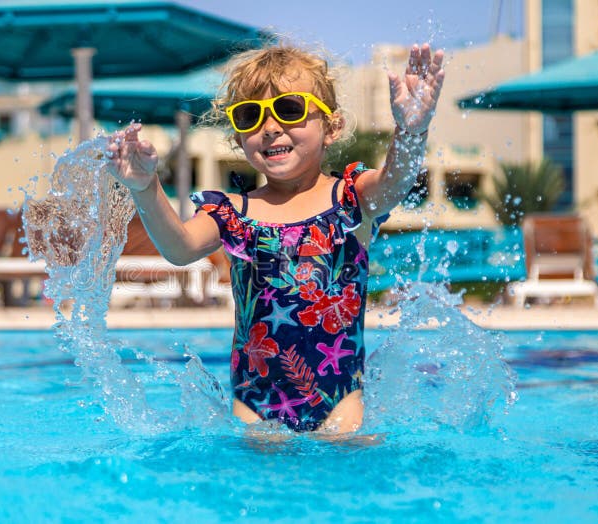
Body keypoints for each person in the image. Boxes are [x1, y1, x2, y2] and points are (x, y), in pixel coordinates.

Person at [103, 42, 444, 434]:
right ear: (238, 138)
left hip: (341, 406)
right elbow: (179, 248)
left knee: (350, 450)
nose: (269, 127)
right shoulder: (233, 213)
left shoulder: (351, 198)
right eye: (250, 115)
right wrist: (145, 187)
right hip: (256, 409)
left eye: (290, 109)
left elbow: (395, 183)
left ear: (331, 127)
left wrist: (411, 131)